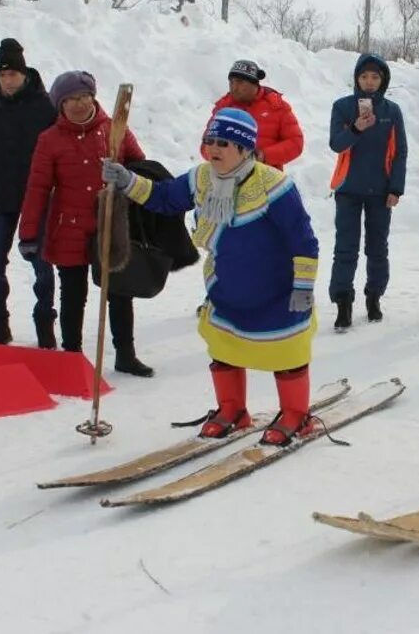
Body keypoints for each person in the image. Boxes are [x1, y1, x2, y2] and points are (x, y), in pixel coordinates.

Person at [101, 109, 320, 446]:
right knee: (224, 348)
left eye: (225, 143)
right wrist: (127, 182)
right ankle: (232, 409)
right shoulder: (201, 178)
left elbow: (302, 238)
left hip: (275, 291)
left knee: (285, 353)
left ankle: (296, 414)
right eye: (211, 141)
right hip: (227, 288)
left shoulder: (273, 185)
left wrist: (303, 286)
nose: (215, 149)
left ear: (245, 149)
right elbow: (164, 198)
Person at [17, 70, 153, 377]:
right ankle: (72, 355)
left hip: (110, 221)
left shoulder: (113, 129)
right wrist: (28, 233)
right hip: (69, 225)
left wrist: (122, 175)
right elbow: (37, 188)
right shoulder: (49, 140)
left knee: (119, 289)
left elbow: (140, 166)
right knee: (73, 292)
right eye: (70, 100)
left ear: (93, 97)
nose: (78, 104)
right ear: (60, 105)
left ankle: (125, 354)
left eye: (83, 97)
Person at [0, 39, 58, 347]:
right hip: (2, 197)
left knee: (42, 265)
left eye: (13, 74)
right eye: (3, 75)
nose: (8, 80)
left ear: (24, 74)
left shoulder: (45, 106)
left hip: (38, 198)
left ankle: (45, 324)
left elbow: (57, 148)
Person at [327, 54, 408, 331]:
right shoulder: (342, 107)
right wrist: (356, 128)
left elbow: (400, 153)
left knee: (377, 249)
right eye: (364, 77)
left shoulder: (392, 111)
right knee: (345, 249)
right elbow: (336, 144)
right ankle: (343, 303)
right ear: (357, 79)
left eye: (375, 77)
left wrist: (396, 188)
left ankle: (374, 297)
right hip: (348, 189)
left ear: (383, 80)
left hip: (380, 191)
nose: (370, 82)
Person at [204, 59, 303, 169]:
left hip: (266, 178)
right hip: (226, 178)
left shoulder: (277, 107)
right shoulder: (223, 107)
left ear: (254, 84)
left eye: (240, 82)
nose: (234, 87)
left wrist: (262, 156)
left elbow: (296, 143)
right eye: (231, 82)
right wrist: (227, 156)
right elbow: (205, 146)